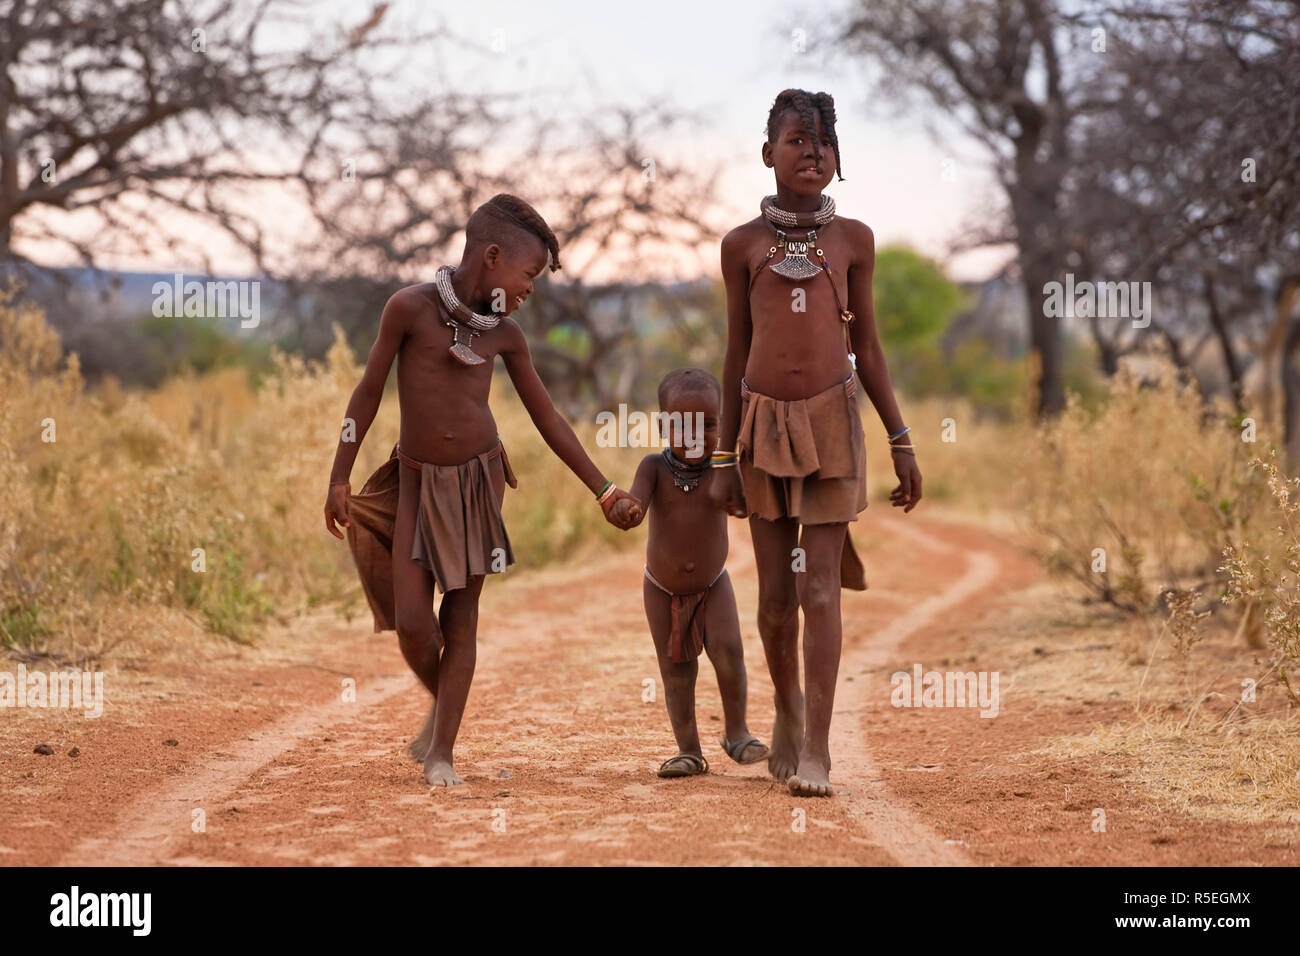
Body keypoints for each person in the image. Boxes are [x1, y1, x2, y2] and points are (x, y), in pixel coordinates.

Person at [324, 193, 641, 788]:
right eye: (527, 276)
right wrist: (340, 474)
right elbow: (366, 393)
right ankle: (443, 705)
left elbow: (549, 420)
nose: (529, 290)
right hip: (415, 478)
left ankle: (442, 749)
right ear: (491, 256)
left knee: (462, 615)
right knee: (415, 622)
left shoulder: (506, 337)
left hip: (477, 483)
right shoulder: (408, 310)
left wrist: (604, 490)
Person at [710, 90, 922, 797]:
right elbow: (736, 350)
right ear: (768, 153)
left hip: (834, 422)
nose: (813, 152)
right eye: (798, 139)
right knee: (775, 597)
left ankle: (818, 751)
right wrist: (721, 456)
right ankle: (789, 708)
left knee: (820, 590)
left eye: (826, 142)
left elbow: (869, 346)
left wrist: (901, 437)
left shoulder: (853, 240)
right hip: (762, 426)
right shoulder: (741, 245)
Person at [614, 368, 768, 778]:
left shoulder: (723, 468)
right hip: (661, 588)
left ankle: (737, 734)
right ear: (664, 425)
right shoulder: (654, 469)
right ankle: (689, 751)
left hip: (714, 584)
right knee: (676, 670)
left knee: (730, 652)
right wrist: (627, 509)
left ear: (724, 423)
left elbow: (747, 501)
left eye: (711, 424)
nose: (697, 435)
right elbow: (636, 504)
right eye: (684, 425)